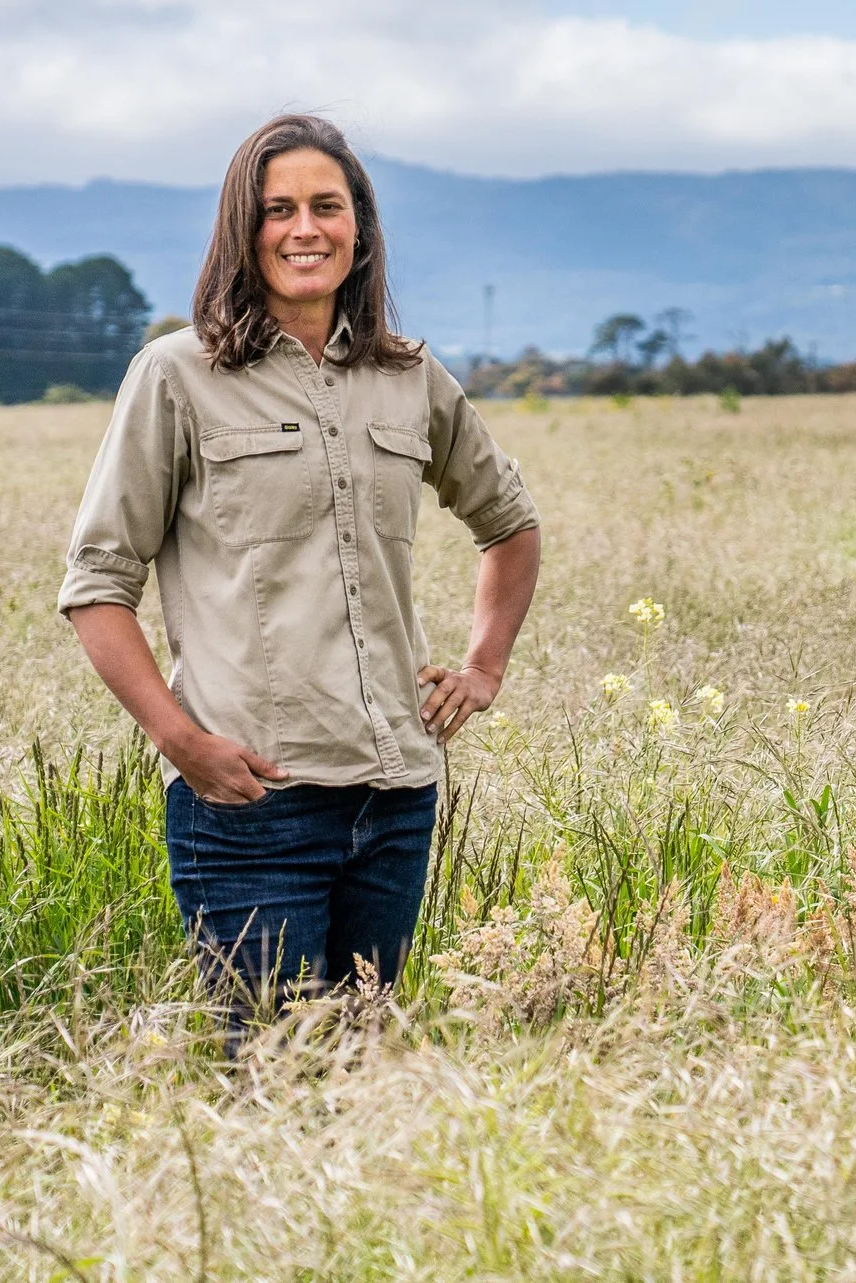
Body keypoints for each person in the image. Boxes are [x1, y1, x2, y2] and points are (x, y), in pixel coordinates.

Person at [60, 113, 541, 1036]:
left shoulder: (410, 376)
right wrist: (179, 740)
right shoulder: (176, 374)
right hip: (251, 805)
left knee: (361, 1077)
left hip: (398, 799)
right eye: (277, 209)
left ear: (359, 225)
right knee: (275, 1080)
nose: (304, 229)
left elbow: (509, 523)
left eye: (326, 205)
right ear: (244, 230)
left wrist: (483, 667)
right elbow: (96, 583)